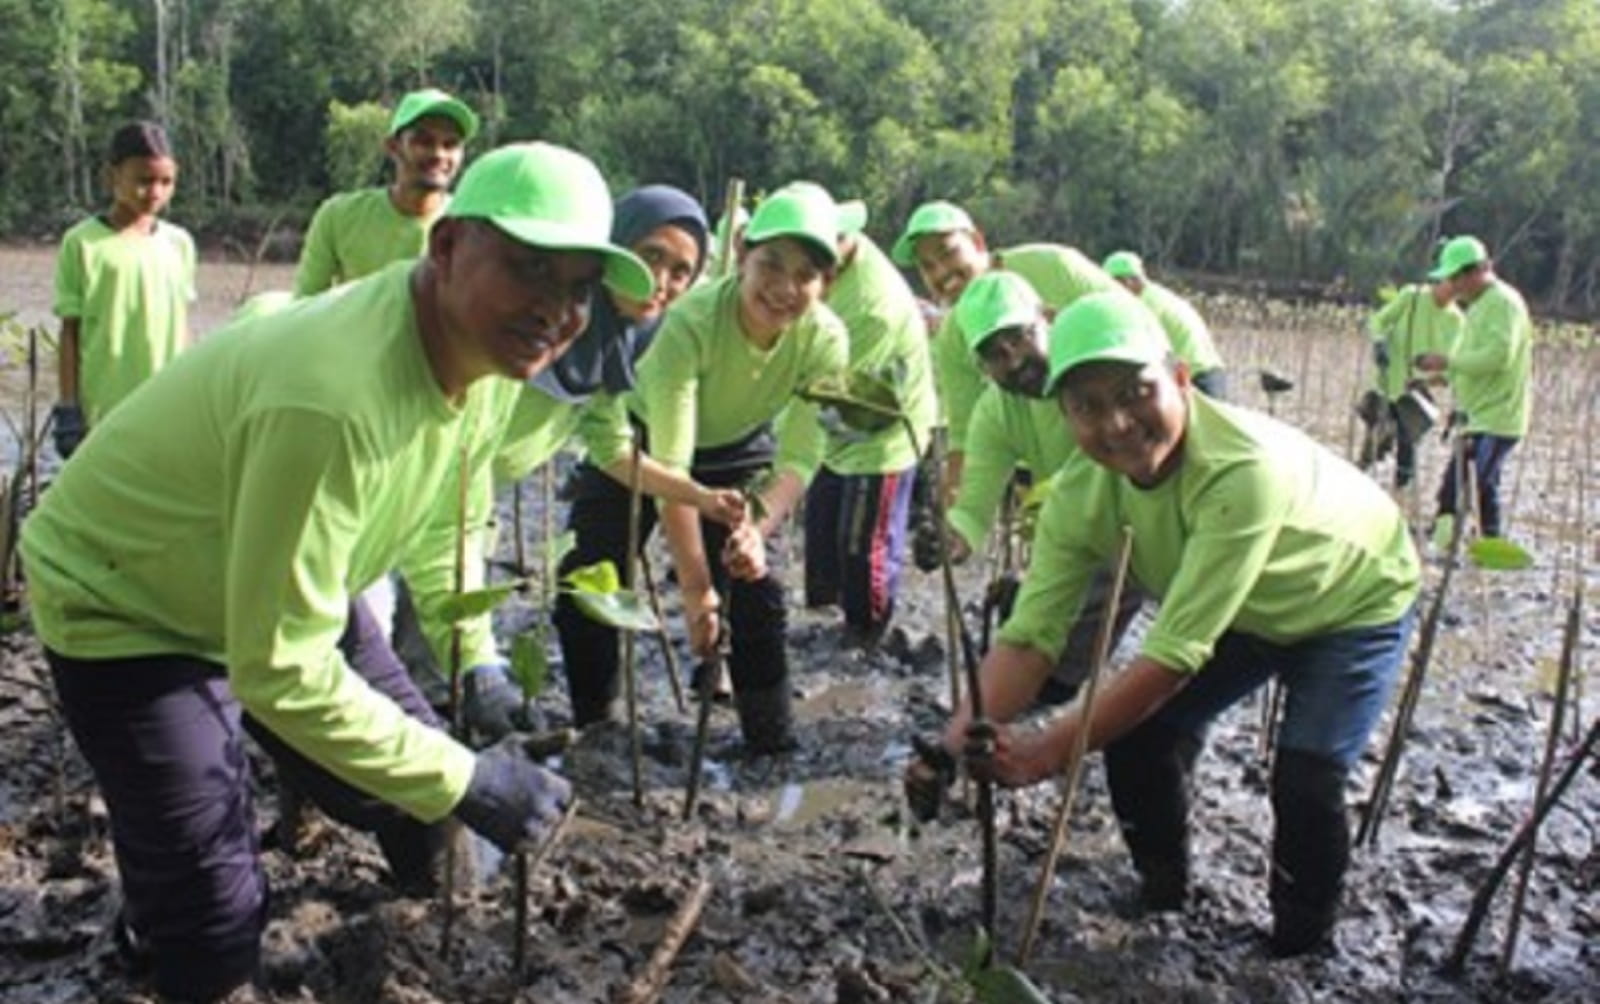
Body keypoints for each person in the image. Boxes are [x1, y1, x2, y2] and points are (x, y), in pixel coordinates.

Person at [21, 142, 651, 1003]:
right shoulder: (332, 397)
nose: (555, 309)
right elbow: (278, 667)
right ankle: (163, 915)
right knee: (215, 919)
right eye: (530, 268)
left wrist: (479, 661)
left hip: (283, 580)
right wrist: (470, 774)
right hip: (129, 601)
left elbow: (447, 519)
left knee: (422, 803)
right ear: (446, 247)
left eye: (578, 287)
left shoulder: (494, 363)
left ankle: (187, 877)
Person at [907, 292, 1420, 957]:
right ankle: (1163, 889)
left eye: (1135, 392)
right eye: (1087, 406)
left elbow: (1173, 655)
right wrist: (949, 749)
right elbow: (1031, 641)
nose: (1117, 424)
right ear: (1062, 415)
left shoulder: (1240, 470)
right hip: (1243, 605)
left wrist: (1044, 751)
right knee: (1139, 741)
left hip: (1352, 600)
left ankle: (1301, 942)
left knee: (1307, 778)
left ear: (1181, 378)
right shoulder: (1078, 499)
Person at [555, 183, 849, 748]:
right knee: (589, 575)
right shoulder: (688, 322)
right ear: (741, 255)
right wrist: (695, 589)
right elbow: (672, 465)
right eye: (771, 265)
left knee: (755, 586)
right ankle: (597, 727)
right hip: (642, 445)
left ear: (825, 283)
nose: (785, 288)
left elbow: (801, 453)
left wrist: (754, 534)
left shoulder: (825, 339)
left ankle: (770, 740)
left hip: (738, 447)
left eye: (806, 275)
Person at [455, 185, 745, 736]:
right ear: (612, 248)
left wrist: (700, 498)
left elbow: (611, 447)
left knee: (431, 661)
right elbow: (458, 439)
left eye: (681, 271)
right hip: (434, 494)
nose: (661, 282)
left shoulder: (622, 337)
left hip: (473, 499)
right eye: (650, 256)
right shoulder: (541, 322)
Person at [912, 272, 1144, 701]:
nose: (1015, 361)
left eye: (1020, 338)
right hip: (1083, 531)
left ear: (1047, 320)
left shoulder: (1096, 377)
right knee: (1049, 680)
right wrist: (951, 540)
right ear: (981, 367)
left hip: (1142, 516)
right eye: (996, 355)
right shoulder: (997, 412)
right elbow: (973, 506)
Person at [889, 200, 1122, 499]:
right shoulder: (952, 337)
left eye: (948, 253)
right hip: (1058, 464)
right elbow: (964, 430)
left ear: (977, 242)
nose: (942, 272)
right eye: (928, 266)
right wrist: (956, 501)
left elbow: (1131, 322)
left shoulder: (1053, 266)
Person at [800, 184, 939, 645]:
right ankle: (826, 609)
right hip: (832, 426)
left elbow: (825, 394)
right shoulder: (831, 262)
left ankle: (867, 633)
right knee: (821, 522)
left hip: (880, 426)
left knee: (866, 541)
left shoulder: (869, 308)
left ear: (844, 241)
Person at [51, 120, 196, 459]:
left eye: (166, 181)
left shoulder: (179, 243)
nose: (155, 192)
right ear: (112, 177)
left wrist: (193, 391)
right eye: (143, 181)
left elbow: (182, 326)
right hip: (104, 407)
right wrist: (69, 407)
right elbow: (70, 333)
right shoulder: (82, 243)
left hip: (166, 403)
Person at [293, 88, 478, 295]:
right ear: (393, 147)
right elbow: (305, 304)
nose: (438, 154)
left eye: (450, 144)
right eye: (424, 141)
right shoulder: (338, 216)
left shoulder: (470, 229)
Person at [1414, 235, 1531, 542]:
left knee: (1476, 486)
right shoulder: (1480, 306)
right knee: (1457, 486)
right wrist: (1435, 379)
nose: (1453, 287)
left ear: (1475, 272)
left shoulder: (1503, 303)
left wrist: (1447, 361)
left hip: (1498, 416)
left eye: (1455, 278)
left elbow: (1498, 357)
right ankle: (1445, 541)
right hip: (1476, 415)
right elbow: (1471, 362)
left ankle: (1485, 545)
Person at [1361, 277, 1462, 488]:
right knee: (1374, 442)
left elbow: (1454, 369)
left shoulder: (1457, 321)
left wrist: (1434, 381)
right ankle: (1361, 480)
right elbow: (1377, 321)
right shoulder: (1411, 297)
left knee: (1408, 447)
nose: (1453, 291)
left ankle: (1401, 493)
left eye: (1459, 287)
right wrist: (1379, 342)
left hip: (1417, 393)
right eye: (1450, 283)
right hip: (1387, 385)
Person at [1101, 250, 1227, 398]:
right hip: (1205, 373)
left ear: (1131, 281)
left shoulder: (1145, 306)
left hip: (1197, 377)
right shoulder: (1155, 296)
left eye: (1113, 284)